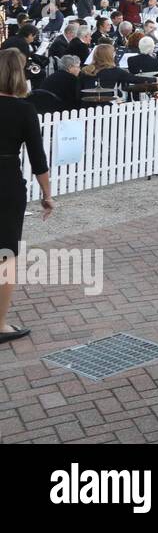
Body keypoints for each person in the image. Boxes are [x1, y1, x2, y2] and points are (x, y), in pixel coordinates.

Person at [0, 49, 53, 344]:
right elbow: (38, 158)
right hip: (6, 181)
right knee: (5, 253)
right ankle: (0, 323)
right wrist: (47, 194)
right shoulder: (23, 110)